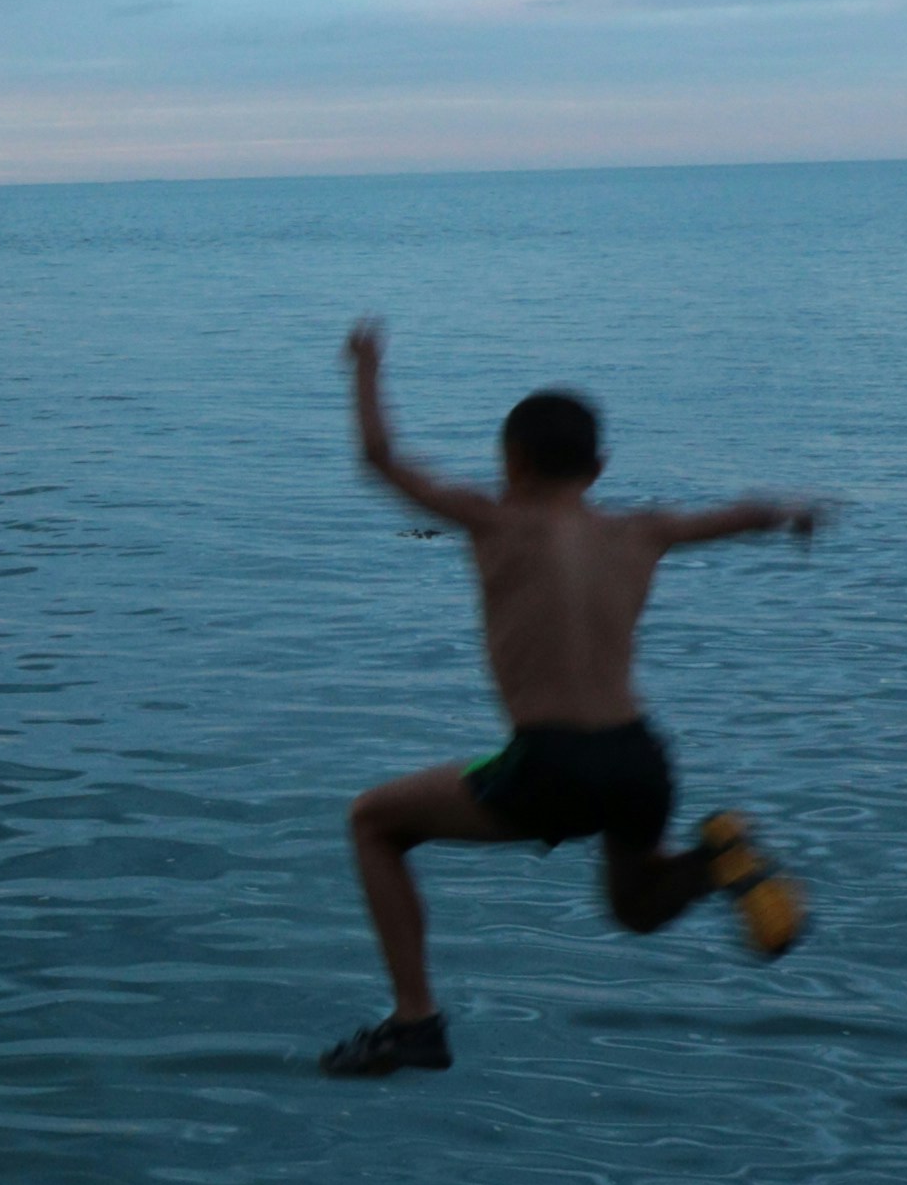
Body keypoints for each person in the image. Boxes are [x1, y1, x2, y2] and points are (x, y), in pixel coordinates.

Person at [322, 318, 827, 1078]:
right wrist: (788, 512)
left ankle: (414, 1020)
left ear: (510, 461)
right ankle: (716, 862)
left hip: (553, 760)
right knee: (637, 906)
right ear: (599, 467)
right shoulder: (643, 531)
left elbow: (382, 460)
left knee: (373, 822)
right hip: (639, 758)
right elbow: (739, 515)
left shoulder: (494, 521)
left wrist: (365, 368)